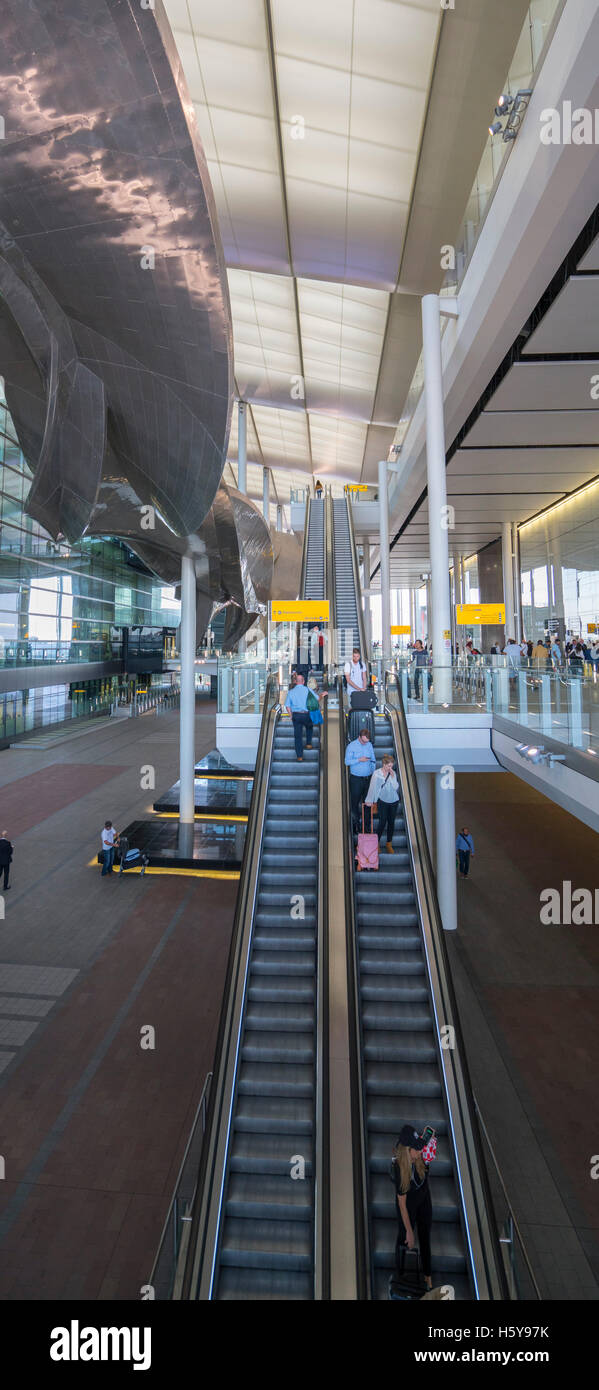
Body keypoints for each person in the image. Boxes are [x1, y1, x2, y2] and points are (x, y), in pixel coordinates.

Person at [392, 1124, 433, 1293]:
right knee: (404, 1237)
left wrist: (429, 1140)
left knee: (425, 1236)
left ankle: (428, 1276)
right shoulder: (399, 1171)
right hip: (408, 1204)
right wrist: (409, 1230)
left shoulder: (420, 1156)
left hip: (424, 1199)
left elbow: (426, 1147)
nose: (419, 1152)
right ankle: (399, 1274)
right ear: (406, 1151)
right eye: (415, 1150)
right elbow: (402, 1204)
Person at [365, 753, 399, 855]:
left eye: (391, 766)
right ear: (384, 764)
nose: (390, 768)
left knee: (391, 822)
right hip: (382, 800)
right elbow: (372, 788)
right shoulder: (376, 773)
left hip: (393, 801)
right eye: (388, 766)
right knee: (382, 821)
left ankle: (389, 843)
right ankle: (377, 842)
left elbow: (396, 787)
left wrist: (393, 777)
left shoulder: (393, 773)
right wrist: (370, 800)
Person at [345, 727, 376, 830]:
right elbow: (347, 762)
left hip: (368, 778)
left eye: (366, 741)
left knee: (368, 803)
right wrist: (359, 760)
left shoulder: (369, 745)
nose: (365, 743)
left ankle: (366, 826)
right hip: (356, 780)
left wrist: (373, 770)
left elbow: (373, 759)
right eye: (363, 741)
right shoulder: (351, 746)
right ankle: (356, 825)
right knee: (355, 802)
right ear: (359, 737)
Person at [284, 672, 313, 761]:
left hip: (296, 715)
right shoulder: (308, 690)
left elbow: (287, 706)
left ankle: (299, 756)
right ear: (304, 681)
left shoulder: (291, 692)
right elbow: (315, 700)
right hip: (306, 714)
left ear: (296, 682)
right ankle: (308, 743)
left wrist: (291, 715)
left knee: (298, 736)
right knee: (309, 727)